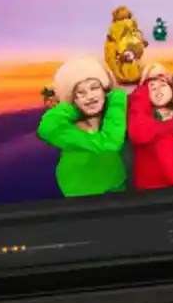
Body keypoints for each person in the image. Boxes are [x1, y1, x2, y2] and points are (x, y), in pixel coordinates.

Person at [37, 58, 128, 198]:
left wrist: (116, 96)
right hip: (80, 200)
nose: (90, 96)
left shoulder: (113, 119)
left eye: (94, 88)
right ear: (73, 99)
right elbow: (47, 127)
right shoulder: (68, 127)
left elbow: (111, 141)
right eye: (80, 92)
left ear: (104, 89)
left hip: (118, 192)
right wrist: (74, 108)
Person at [127, 64, 173, 190]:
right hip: (151, 190)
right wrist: (141, 92)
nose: (158, 90)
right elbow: (139, 134)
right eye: (151, 87)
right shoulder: (141, 116)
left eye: (163, 85)